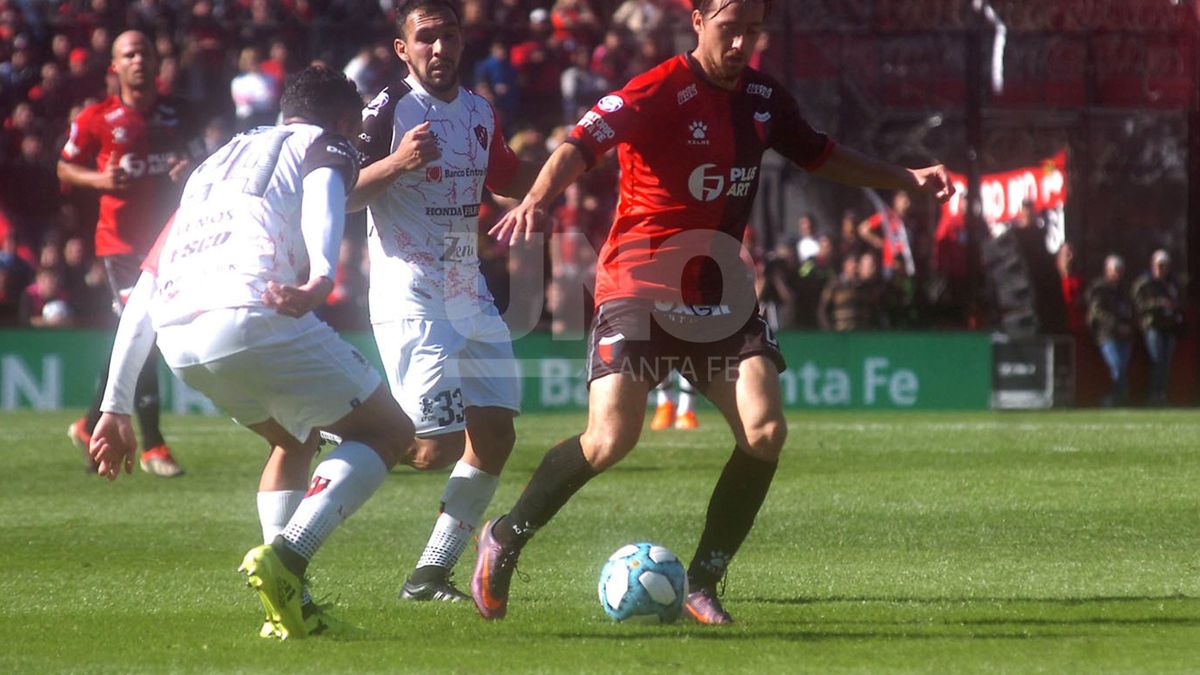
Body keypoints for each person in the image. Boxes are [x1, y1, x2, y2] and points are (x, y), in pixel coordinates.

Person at [472, 0, 952, 624]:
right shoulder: (657, 89)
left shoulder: (763, 97)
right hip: (639, 283)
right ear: (697, 22)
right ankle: (504, 538)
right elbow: (579, 145)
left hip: (719, 290)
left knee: (765, 431)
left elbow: (821, 154)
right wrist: (537, 197)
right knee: (610, 439)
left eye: (753, 30)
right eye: (731, 29)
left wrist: (904, 179)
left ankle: (703, 579)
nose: (742, 43)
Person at [87, 65, 416, 640]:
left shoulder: (214, 164)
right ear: (343, 118)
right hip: (250, 312)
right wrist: (320, 273)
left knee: (293, 439)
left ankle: (287, 607)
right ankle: (289, 558)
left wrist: (114, 407)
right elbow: (323, 190)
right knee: (387, 432)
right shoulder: (325, 141)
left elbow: (146, 284)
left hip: (178, 337)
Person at [349, 0, 540, 603]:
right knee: (436, 447)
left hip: (471, 294)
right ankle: (334, 421)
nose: (439, 47)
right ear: (403, 49)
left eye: (448, 35)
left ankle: (430, 574)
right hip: (413, 291)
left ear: (462, 42)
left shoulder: (480, 111)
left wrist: (568, 171)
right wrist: (397, 162)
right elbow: (339, 194)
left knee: (496, 436)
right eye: (425, 37)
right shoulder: (387, 109)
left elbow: (506, 174)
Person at [58, 30, 202, 477]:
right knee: (147, 330)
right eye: (130, 54)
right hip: (120, 245)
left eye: (146, 52)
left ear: (158, 64)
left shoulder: (179, 116)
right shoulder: (96, 118)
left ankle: (87, 423)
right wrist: (100, 181)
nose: (139, 60)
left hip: (167, 241)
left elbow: (202, 163)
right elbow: (64, 166)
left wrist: (187, 169)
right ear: (115, 67)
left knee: (131, 333)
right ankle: (153, 444)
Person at [1132, 249, 1183, 405]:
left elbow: (1179, 303)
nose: (1162, 269)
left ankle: (1162, 395)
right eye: (1159, 265)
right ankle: (1153, 395)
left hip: (1169, 328)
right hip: (1153, 326)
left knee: (1166, 364)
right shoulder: (1144, 283)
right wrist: (1159, 304)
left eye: (1165, 265)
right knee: (1156, 361)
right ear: (1153, 265)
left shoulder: (1171, 284)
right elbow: (1138, 304)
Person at [1086, 254, 1135, 407]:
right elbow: (1097, 312)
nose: (1118, 273)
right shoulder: (1099, 289)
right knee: (1117, 366)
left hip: (1125, 336)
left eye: (1120, 270)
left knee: (1122, 368)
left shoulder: (1125, 291)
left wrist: (1129, 326)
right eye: (1115, 270)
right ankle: (1116, 398)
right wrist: (1116, 325)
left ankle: (1120, 398)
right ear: (1107, 270)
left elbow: (1132, 310)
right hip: (1107, 335)